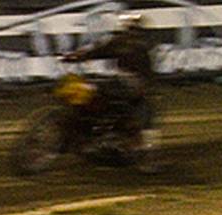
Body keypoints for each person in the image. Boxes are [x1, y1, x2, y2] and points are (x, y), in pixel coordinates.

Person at [62, 13, 156, 146]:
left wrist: (76, 57)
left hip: (128, 82)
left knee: (94, 88)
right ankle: (94, 124)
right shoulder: (146, 42)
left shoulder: (124, 41)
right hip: (136, 83)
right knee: (97, 88)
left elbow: (100, 51)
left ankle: (93, 125)